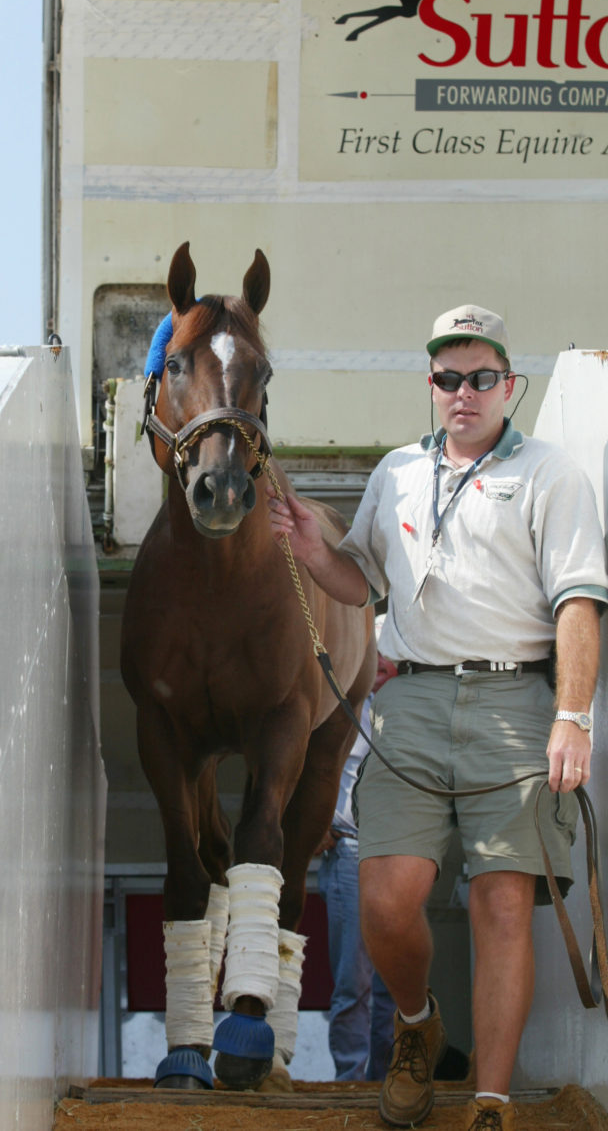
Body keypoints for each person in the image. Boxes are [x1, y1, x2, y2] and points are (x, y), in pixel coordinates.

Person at [268, 306, 608, 1131]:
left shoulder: (552, 474)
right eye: (449, 378)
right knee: (385, 898)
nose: (465, 392)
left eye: (481, 377)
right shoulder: (394, 473)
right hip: (411, 698)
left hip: (518, 703)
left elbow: (578, 602)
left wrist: (573, 716)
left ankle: (488, 1102)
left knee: (498, 902)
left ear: (509, 387)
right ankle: (418, 1027)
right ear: (432, 386)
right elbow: (363, 583)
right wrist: (318, 552)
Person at [316, 646, 398, 1082]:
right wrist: (318, 824)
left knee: (394, 981)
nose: (382, 667)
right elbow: (313, 769)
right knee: (353, 981)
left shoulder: (411, 715)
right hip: (348, 850)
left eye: (388, 661)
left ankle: (387, 1078)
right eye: (377, 658)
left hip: (402, 857)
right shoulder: (337, 711)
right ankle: (351, 1080)